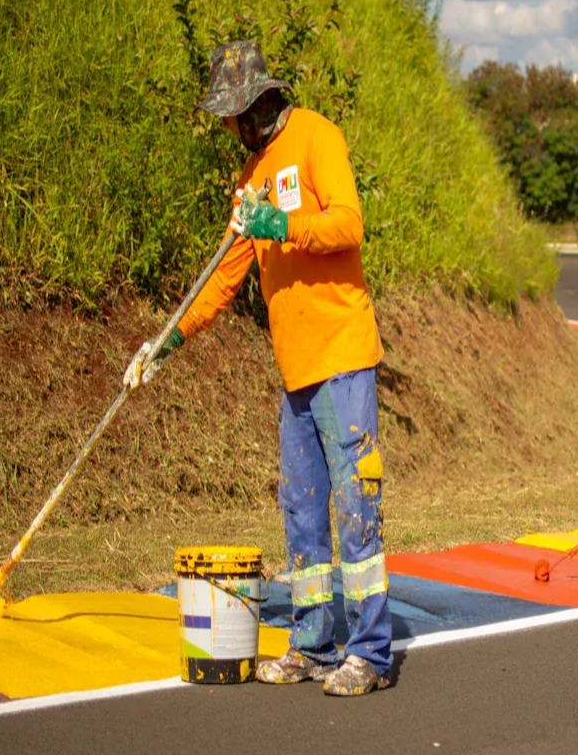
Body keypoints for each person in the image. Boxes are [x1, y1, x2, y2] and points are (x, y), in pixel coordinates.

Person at [122, 40, 392, 697]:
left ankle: (372, 655)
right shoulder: (249, 180)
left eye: (228, 115)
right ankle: (312, 643)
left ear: (251, 104)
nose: (225, 129)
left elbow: (348, 226)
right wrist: (168, 341)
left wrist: (282, 221)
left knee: (357, 508)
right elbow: (222, 278)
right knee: (302, 512)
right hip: (295, 372)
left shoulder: (316, 136)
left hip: (343, 356)